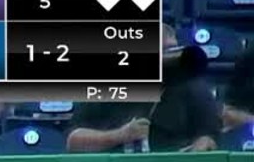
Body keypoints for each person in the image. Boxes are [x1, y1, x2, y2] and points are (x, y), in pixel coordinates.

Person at [64, 26, 222, 153]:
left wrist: (200, 148)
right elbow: (74, 142)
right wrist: (120, 135)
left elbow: (209, 137)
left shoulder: (191, 86)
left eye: (172, 50)